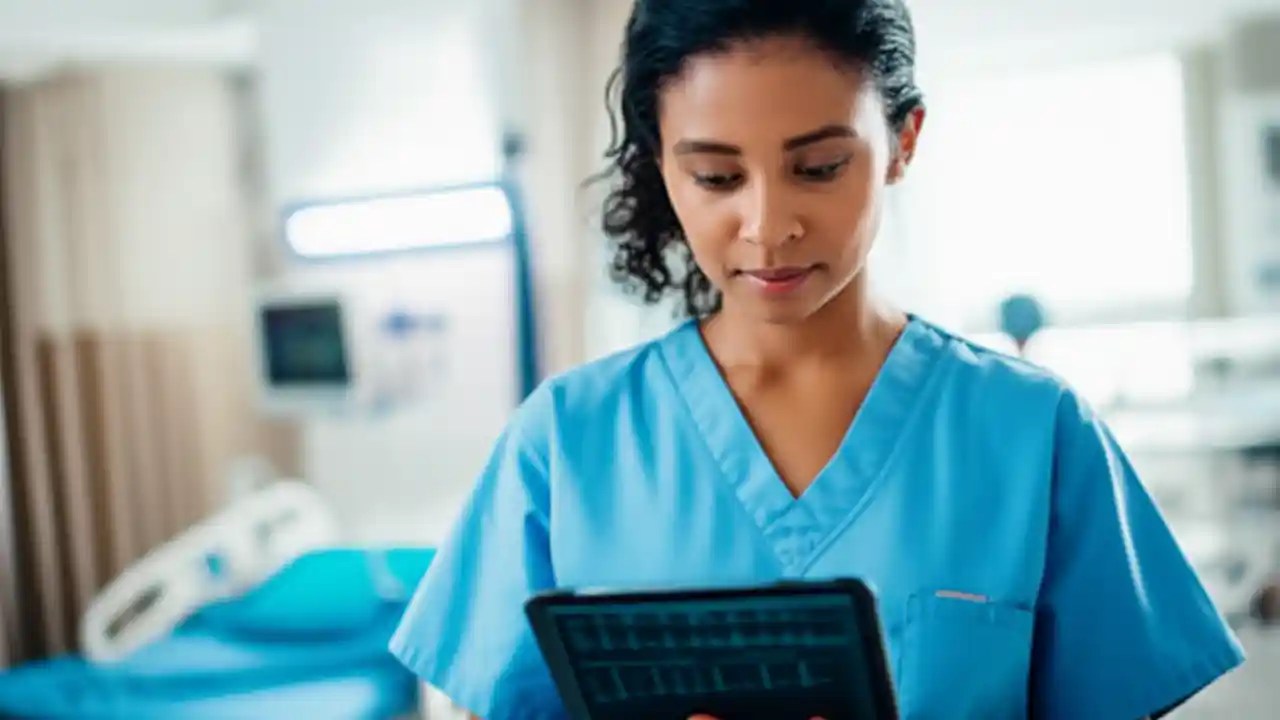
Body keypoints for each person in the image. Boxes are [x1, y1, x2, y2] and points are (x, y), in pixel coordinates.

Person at [389, 0, 1244, 717]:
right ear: (661, 165)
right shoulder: (568, 442)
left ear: (904, 142)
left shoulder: (1031, 431)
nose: (768, 226)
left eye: (821, 166)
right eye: (718, 178)